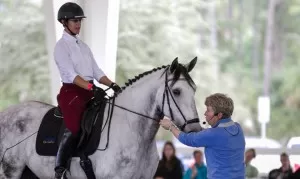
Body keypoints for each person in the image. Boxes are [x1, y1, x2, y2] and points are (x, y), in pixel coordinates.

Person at [53, 2, 121, 178]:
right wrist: (91, 87)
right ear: (64, 22)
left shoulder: (84, 47)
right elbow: (70, 74)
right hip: (72, 92)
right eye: (74, 21)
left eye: (79, 21)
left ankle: (91, 156)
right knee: (75, 126)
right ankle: (60, 168)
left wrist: (112, 84)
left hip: (90, 89)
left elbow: (97, 72)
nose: (78, 24)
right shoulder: (61, 46)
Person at [159, 93, 245, 179]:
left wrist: (171, 127)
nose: (205, 113)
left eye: (208, 110)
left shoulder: (212, 134)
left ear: (219, 115)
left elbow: (188, 139)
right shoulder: (238, 128)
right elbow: (218, 137)